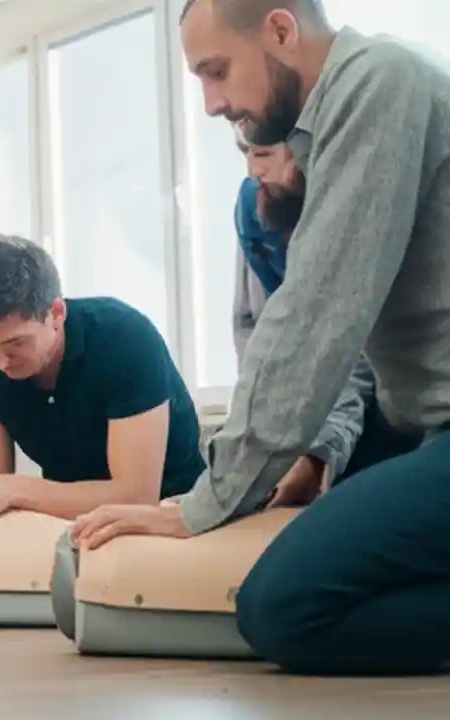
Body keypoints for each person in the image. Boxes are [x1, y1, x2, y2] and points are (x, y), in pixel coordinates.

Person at [72, 0, 450, 675]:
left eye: (217, 72)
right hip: (427, 430)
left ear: (281, 29)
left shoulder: (377, 83)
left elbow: (317, 312)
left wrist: (204, 503)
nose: (213, 104)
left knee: (283, 608)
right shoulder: (339, 119)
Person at [0, 236, 204, 532]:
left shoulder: (124, 337)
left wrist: (12, 490)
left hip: (174, 519)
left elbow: (136, 498)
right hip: (68, 523)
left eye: (15, 343)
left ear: (56, 313)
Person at [232, 134, 420, 506]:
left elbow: (350, 346)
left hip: (395, 413)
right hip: (312, 412)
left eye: (264, 154)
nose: (254, 171)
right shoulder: (256, 204)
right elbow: (255, 328)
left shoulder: (364, 206)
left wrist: (320, 454)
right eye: (246, 155)